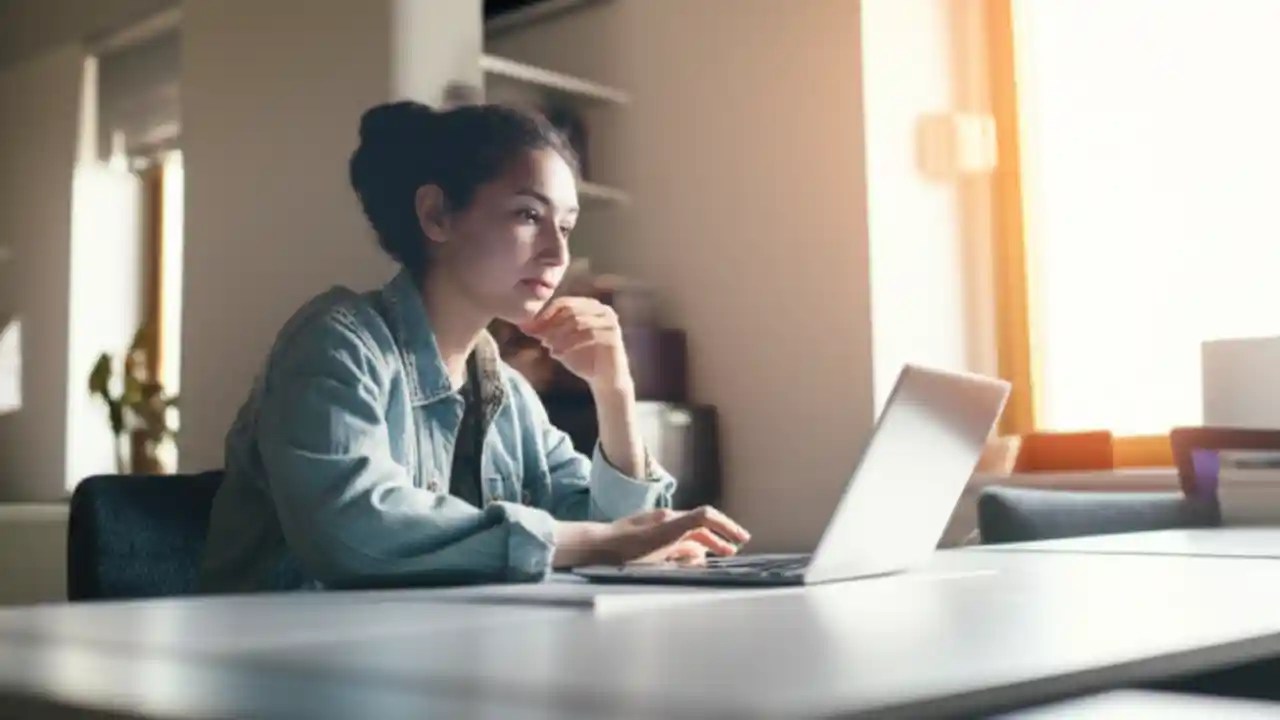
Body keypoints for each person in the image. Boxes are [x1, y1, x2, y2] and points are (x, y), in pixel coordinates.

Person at [199, 101, 751, 592]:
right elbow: (351, 530)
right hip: (283, 671)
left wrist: (614, 390)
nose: (558, 253)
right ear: (436, 214)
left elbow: (621, 536)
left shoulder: (507, 392)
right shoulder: (337, 344)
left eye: (567, 225)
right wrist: (603, 542)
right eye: (528, 215)